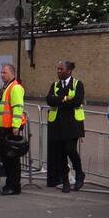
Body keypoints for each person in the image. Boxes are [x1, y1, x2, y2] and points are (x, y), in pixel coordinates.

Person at [45, 60, 85, 192]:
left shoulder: (77, 84)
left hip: (72, 125)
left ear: (69, 71)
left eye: (61, 69)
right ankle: (65, 180)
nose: (58, 71)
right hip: (57, 125)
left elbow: (77, 101)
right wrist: (65, 99)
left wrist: (60, 100)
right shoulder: (55, 85)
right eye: (57, 69)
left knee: (70, 150)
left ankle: (79, 173)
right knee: (60, 154)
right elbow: (49, 100)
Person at [0, 63, 27, 195]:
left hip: (10, 129)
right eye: (1, 72)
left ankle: (14, 186)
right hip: (3, 127)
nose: (2, 75)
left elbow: (18, 108)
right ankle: (10, 183)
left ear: (12, 73)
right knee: (6, 158)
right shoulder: (6, 87)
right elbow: (1, 105)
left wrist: (15, 126)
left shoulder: (15, 88)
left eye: (4, 72)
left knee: (12, 159)